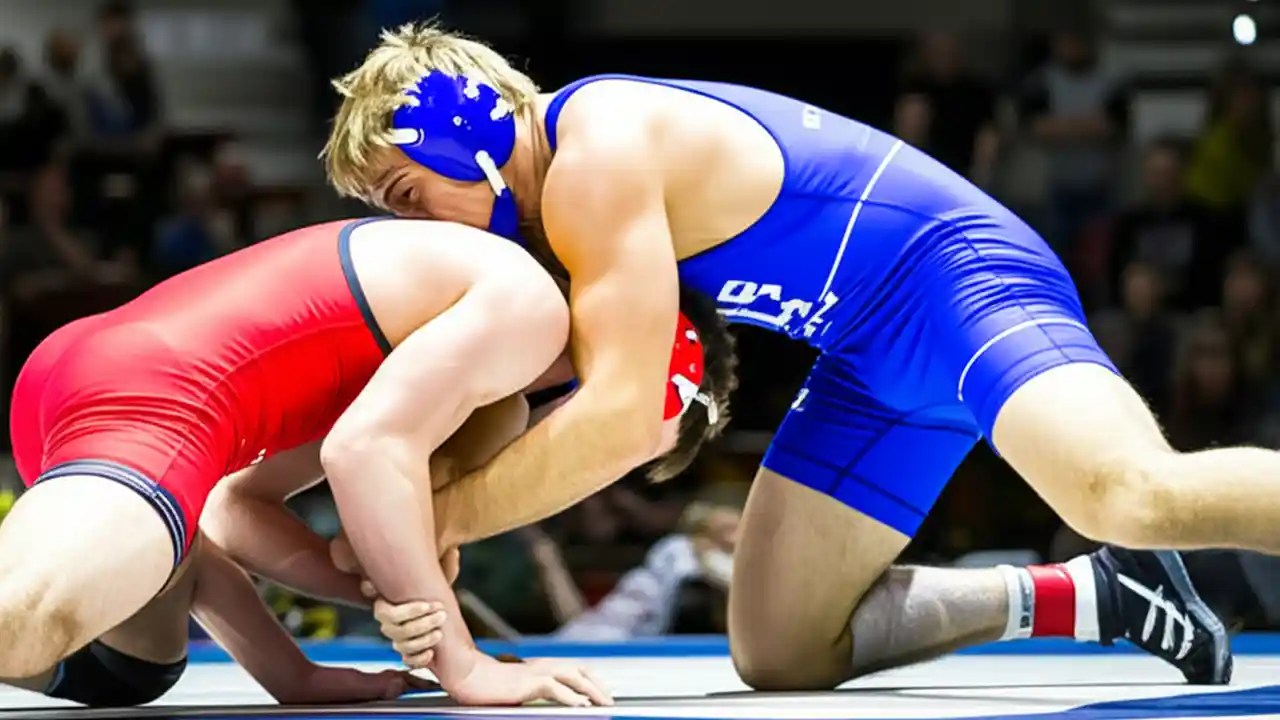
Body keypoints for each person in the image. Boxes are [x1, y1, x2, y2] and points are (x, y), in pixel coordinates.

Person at [322, 22, 1280, 691]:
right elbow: (519, 407)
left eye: (408, 195)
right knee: (782, 646)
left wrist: (437, 514)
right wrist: (426, 502)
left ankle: (1128, 548)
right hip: (865, 355)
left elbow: (620, 423)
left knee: (1127, 494)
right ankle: (1100, 595)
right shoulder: (551, 228)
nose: (410, 229)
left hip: (957, 279)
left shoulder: (595, 151)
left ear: (472, 135)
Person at [2, 216, 643, 706]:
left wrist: (304, 668)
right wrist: (462, 662)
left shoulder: (430, 325)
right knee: (21, 629)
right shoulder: (532, 306)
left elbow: (230, 510)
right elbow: (364, 455)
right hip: (160, 400)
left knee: (131, 674)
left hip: (113, 380)